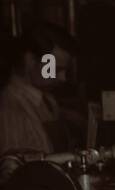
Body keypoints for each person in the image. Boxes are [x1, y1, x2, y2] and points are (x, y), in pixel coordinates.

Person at [0, 23, 77, 153]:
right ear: (29, 60)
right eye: (55, 69)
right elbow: (12, 170)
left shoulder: (46, 99)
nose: (63, 78)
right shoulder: (10, 110)